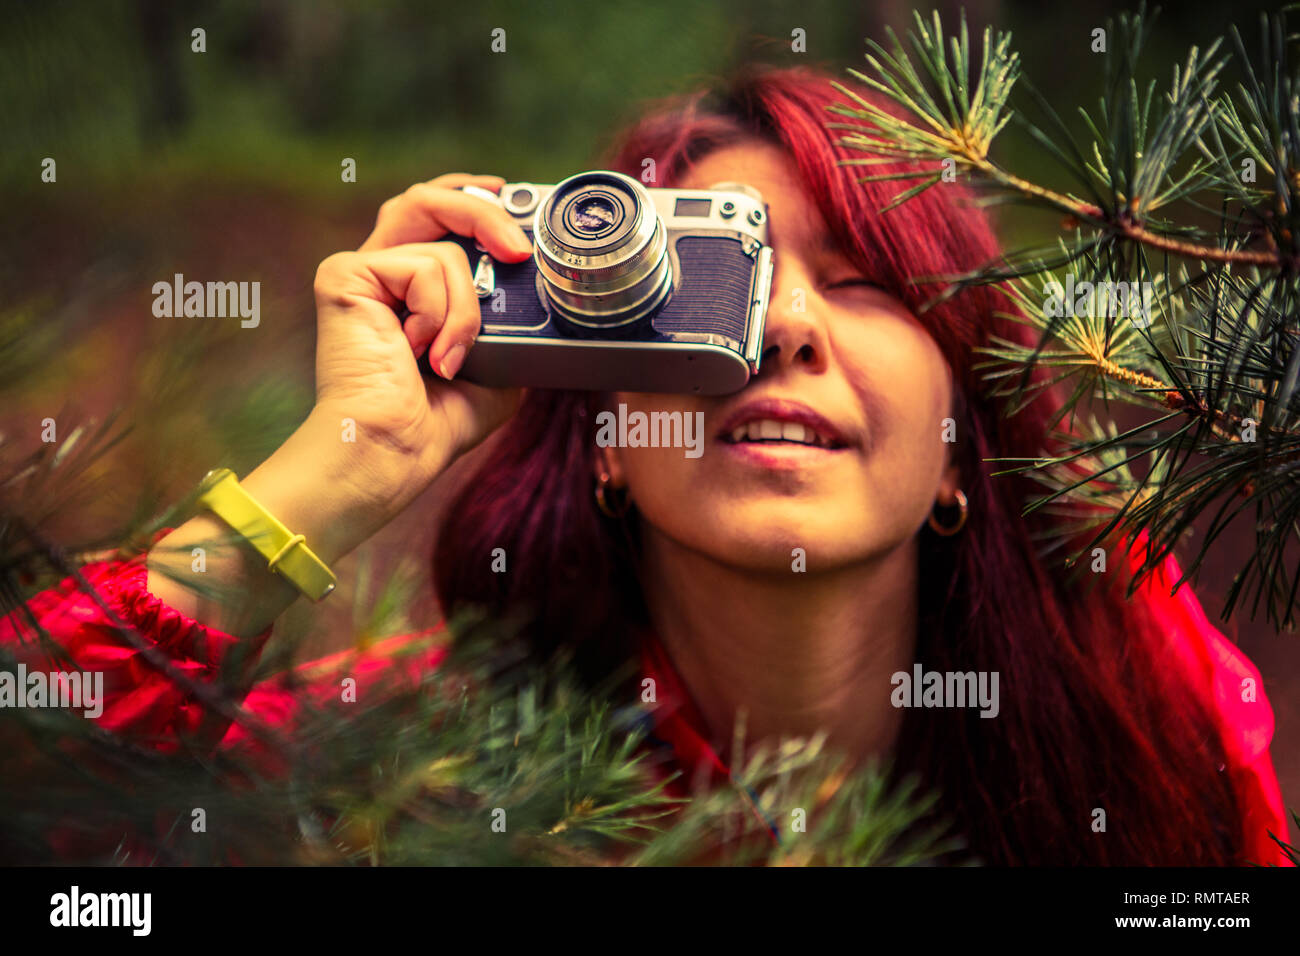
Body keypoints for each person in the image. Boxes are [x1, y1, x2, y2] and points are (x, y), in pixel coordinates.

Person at [2, 66, 1289, 866]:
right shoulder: (413, 771)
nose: (783, 328)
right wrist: (345, 463)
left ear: (962, 446)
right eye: (714, 292)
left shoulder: (1137, 726)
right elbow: (37, 791)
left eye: (864, 285)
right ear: (608, 435)